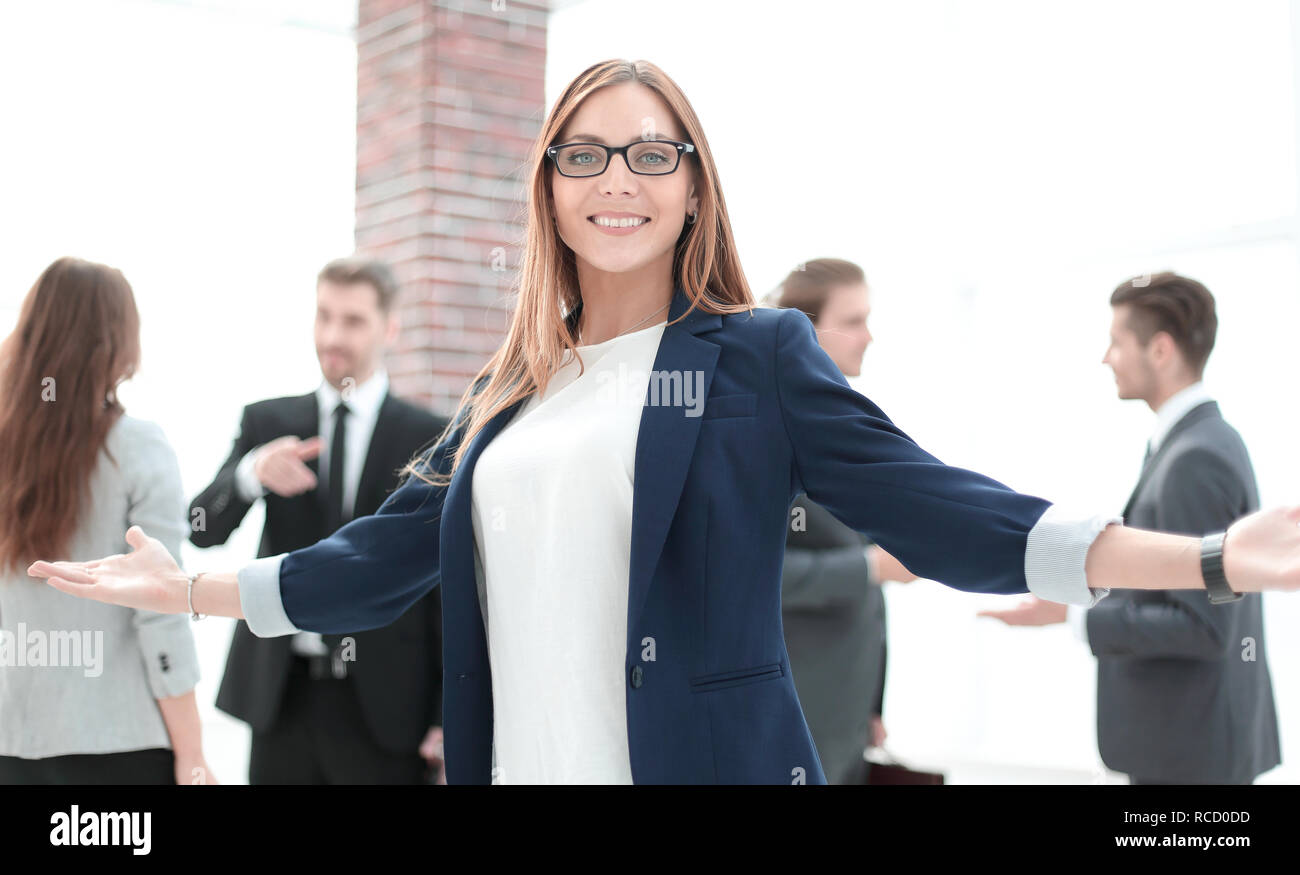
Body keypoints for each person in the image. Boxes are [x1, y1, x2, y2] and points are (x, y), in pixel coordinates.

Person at [28, 60, 1300, 786]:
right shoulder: (508, 389)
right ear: (549, 190)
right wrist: (184, 587)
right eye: (583, 156)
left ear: (694, 186)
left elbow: (944, 506)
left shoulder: (755, 355)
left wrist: (1205, 558)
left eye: (650, 154)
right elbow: (373, 561)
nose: (616, 181)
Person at [980, 272, 1280, 784]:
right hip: (1195, 748)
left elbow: (1205, 627)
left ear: (1160, 350)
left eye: (1117, 342)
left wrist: (1073, 617)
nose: (1106, 358)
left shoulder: (1196, 458)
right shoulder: (1197, 443)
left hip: (1189, 759)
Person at [188, 257, 449, 784]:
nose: (333, 335)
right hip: (283, 696)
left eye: (352, 321)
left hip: (387, 706)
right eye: (323, 316)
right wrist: (250, 474)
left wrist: (445, 715)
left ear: (389, 327)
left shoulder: (432, 436)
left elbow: (445, 584)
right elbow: (201, 527)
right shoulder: (268, 421)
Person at [0, 257, 212, 785]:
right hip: (118, 745)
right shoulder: (137, 446)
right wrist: (193, 753)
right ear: (119, 341)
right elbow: (162, 608)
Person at [773, 258, 917, 784]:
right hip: (793, 713)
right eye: (854, 321)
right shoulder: (765, 428)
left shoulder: (842, 419)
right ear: (804, 328)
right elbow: (746, 570)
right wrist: (867, 567)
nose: (869, 336)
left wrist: (871, 706)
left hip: (845, 719)